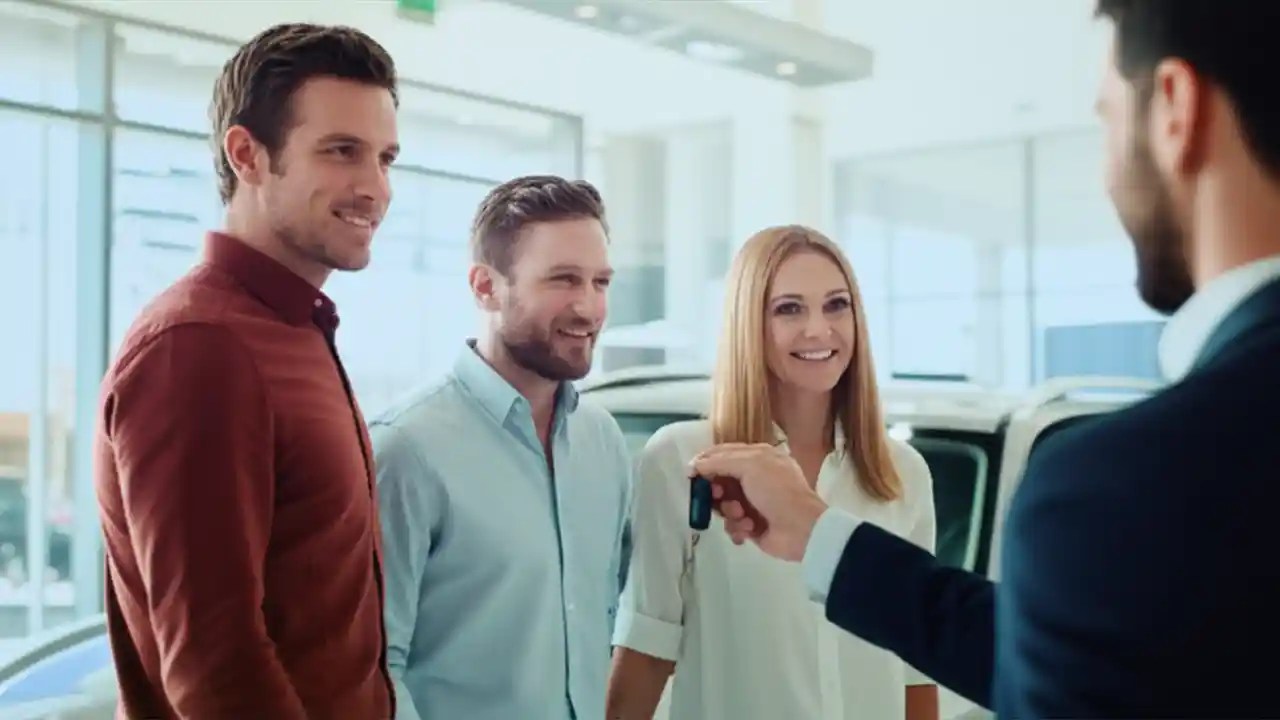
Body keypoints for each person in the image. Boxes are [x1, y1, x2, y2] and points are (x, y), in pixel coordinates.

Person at [687, 1, 1280, 717]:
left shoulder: (1119, 492)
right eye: (789, 307)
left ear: (1176, 111)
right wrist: (822, 535)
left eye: (1106, 119)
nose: (1104, 168)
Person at [93, 23, 400, 719]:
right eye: (342, 152)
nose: (375, 188)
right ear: (247, 154)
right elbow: (214, 665)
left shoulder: (292, 329)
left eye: (386, 158)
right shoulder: (198, 346)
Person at [606, 226, 940, 720]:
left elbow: (917, 667)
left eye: (836, 305)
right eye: (788, 308)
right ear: (749, 325)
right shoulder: (683, 461)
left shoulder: (902, 474)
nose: (818, 330)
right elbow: (648, 646)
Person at [371, 175, 632, 720]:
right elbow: (375, 669)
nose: (589, 307)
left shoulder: (603, 442)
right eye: (563, 280)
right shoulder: (405, 449)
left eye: (601, 282)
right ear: (486, 287)